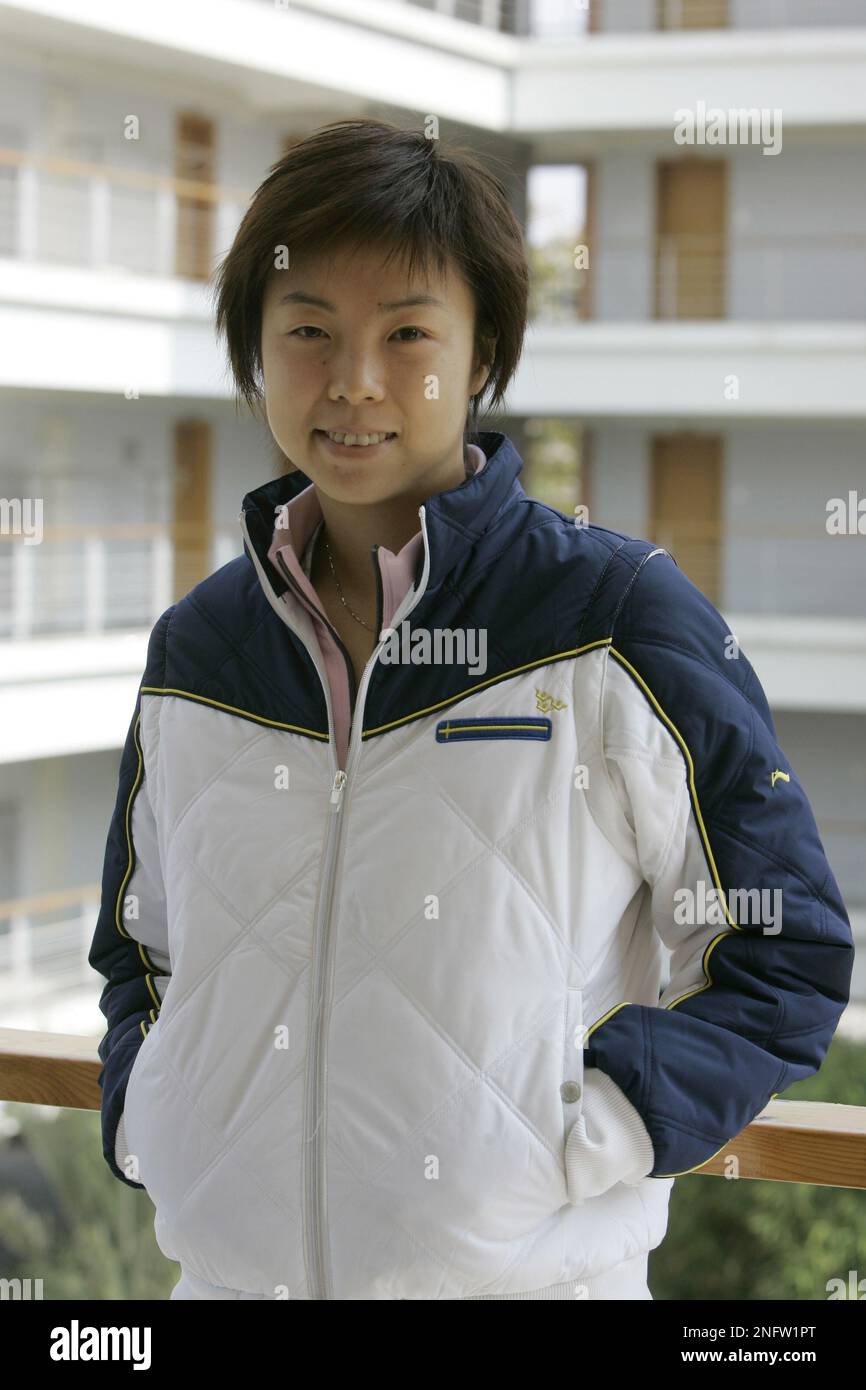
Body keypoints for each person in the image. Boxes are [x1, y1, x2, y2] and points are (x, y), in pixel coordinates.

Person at [88, 118, 853, 1302]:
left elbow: (782, 947)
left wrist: (584, 1133)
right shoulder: (199, 648)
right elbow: (141, 948)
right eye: (308, 333)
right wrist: (152, 1118)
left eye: (406, 334)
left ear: (482, 347)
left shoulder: (614, 616)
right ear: (255, 349)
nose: (352, 381)